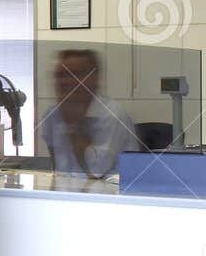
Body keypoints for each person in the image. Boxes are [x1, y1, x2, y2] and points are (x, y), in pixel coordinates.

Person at [42, 49, 140, 179]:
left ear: (94, 79)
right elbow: (57, 171)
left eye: (73, 74)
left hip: (109, 196)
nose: (64, 82)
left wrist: (74, 125)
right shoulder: (52, 114)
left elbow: (95, 172)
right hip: (67, 196)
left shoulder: (113, 114)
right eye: (60, 75)